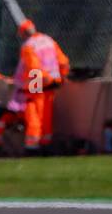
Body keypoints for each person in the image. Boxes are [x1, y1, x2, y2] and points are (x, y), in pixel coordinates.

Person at [11, 18, 69, 153]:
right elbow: (63, 61)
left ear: (23, 33)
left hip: (37, 83)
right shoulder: (49, 40)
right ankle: (46, 144)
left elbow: (34, 68)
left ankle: (32, 146)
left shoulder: (29, 46)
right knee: (46, 116)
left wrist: (32, 88)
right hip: (52, 83)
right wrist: (62, 76)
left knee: (34, 115)